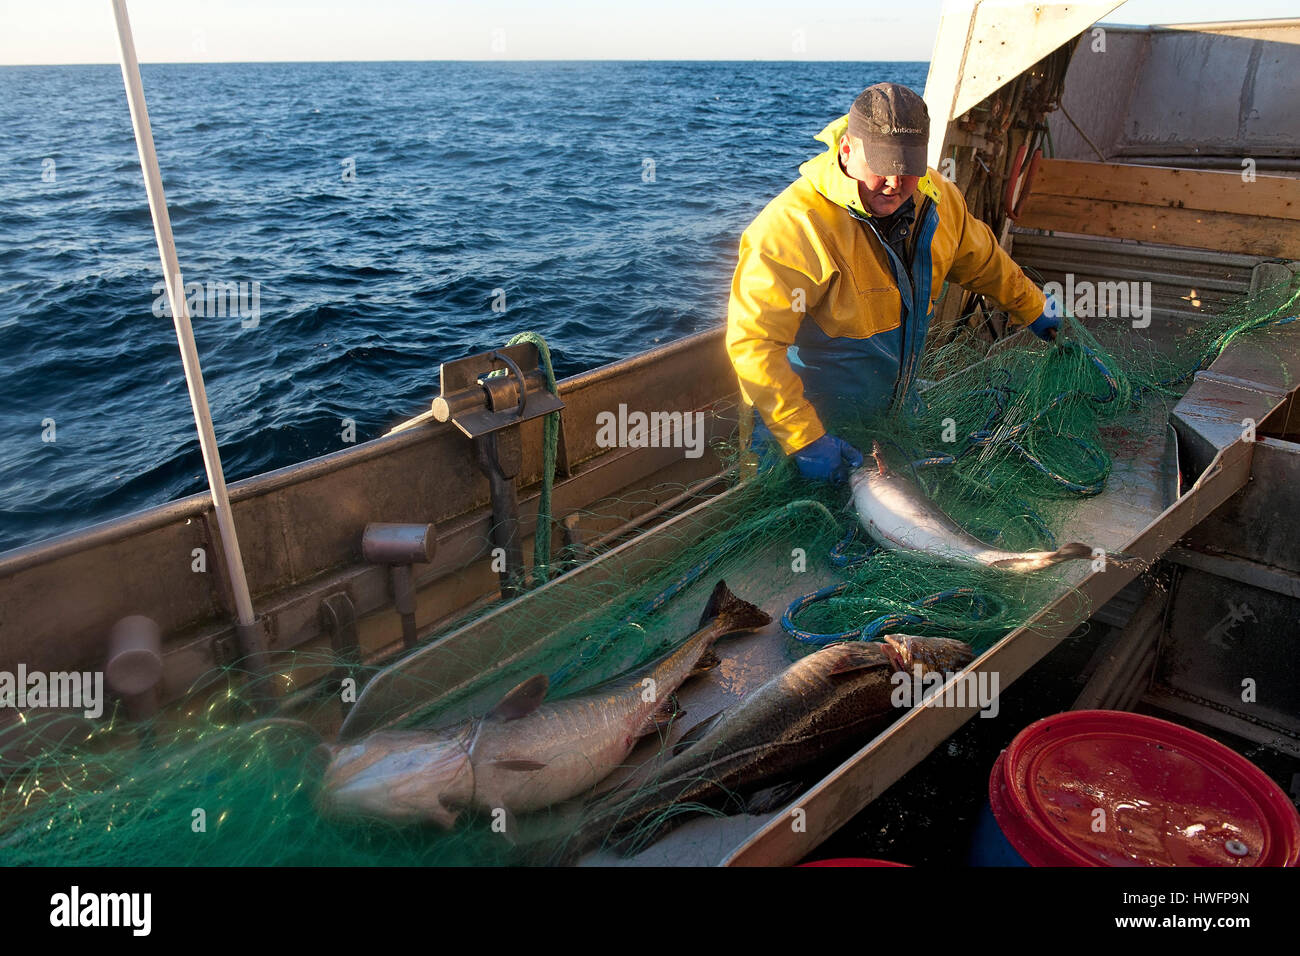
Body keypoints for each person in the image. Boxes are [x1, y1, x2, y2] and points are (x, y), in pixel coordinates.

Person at [725, 82, 1060, 483]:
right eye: (882, 165)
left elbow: (984, 262)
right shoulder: (793, 227)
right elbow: (754, 344)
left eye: (908, 168)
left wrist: (1034, 308)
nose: (894, 184)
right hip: (803, 440)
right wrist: (804, 439)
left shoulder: (937, 199)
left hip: (888, 429)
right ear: (846, 150)